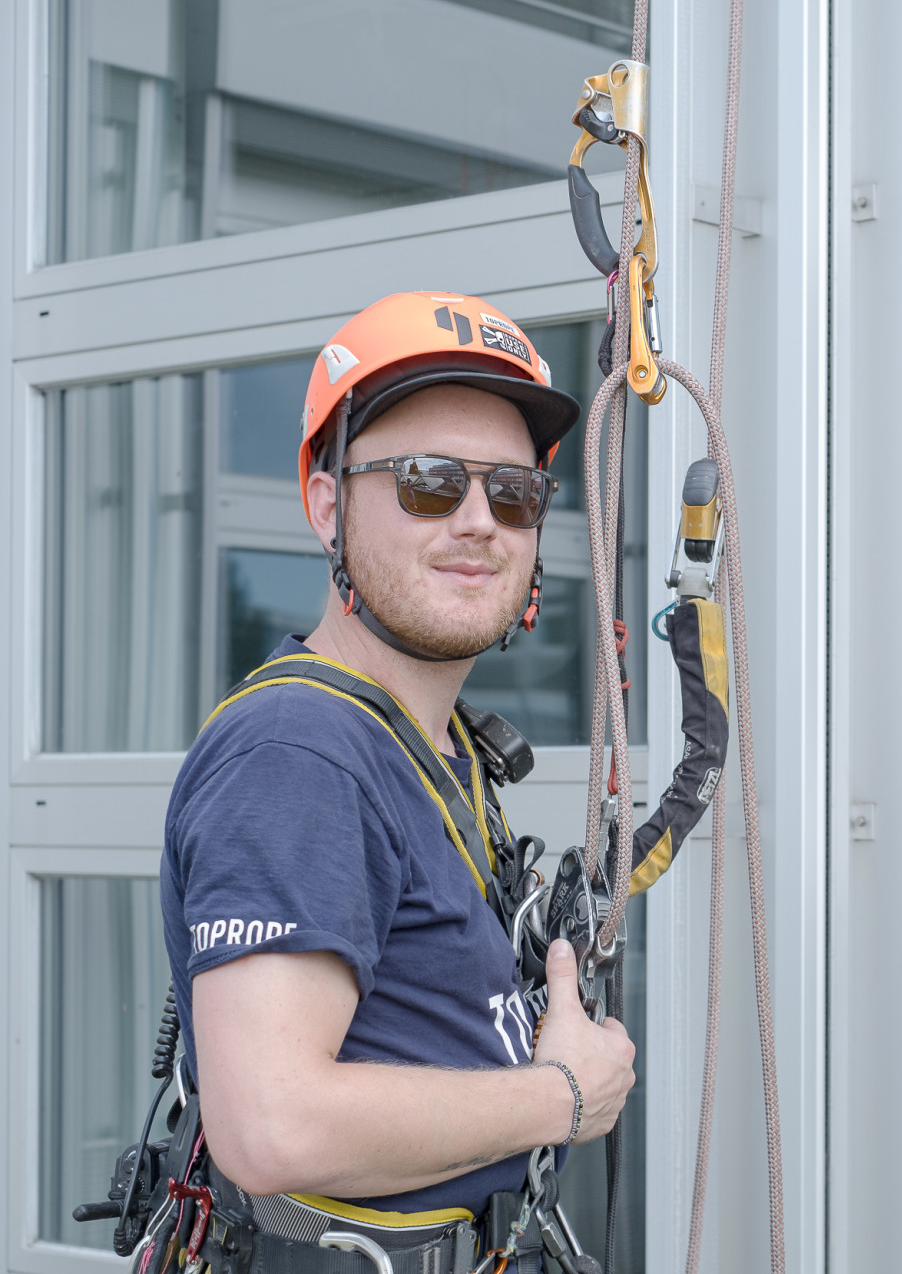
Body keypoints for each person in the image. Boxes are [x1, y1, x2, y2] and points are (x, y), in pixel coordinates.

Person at [159, 292, 636, 1267]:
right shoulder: (299, 754)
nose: (479, 521)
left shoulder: (439, 744)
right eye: (426, 482)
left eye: (514, 494)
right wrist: (566, 1093)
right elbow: (272, 1124)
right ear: (328, 503)